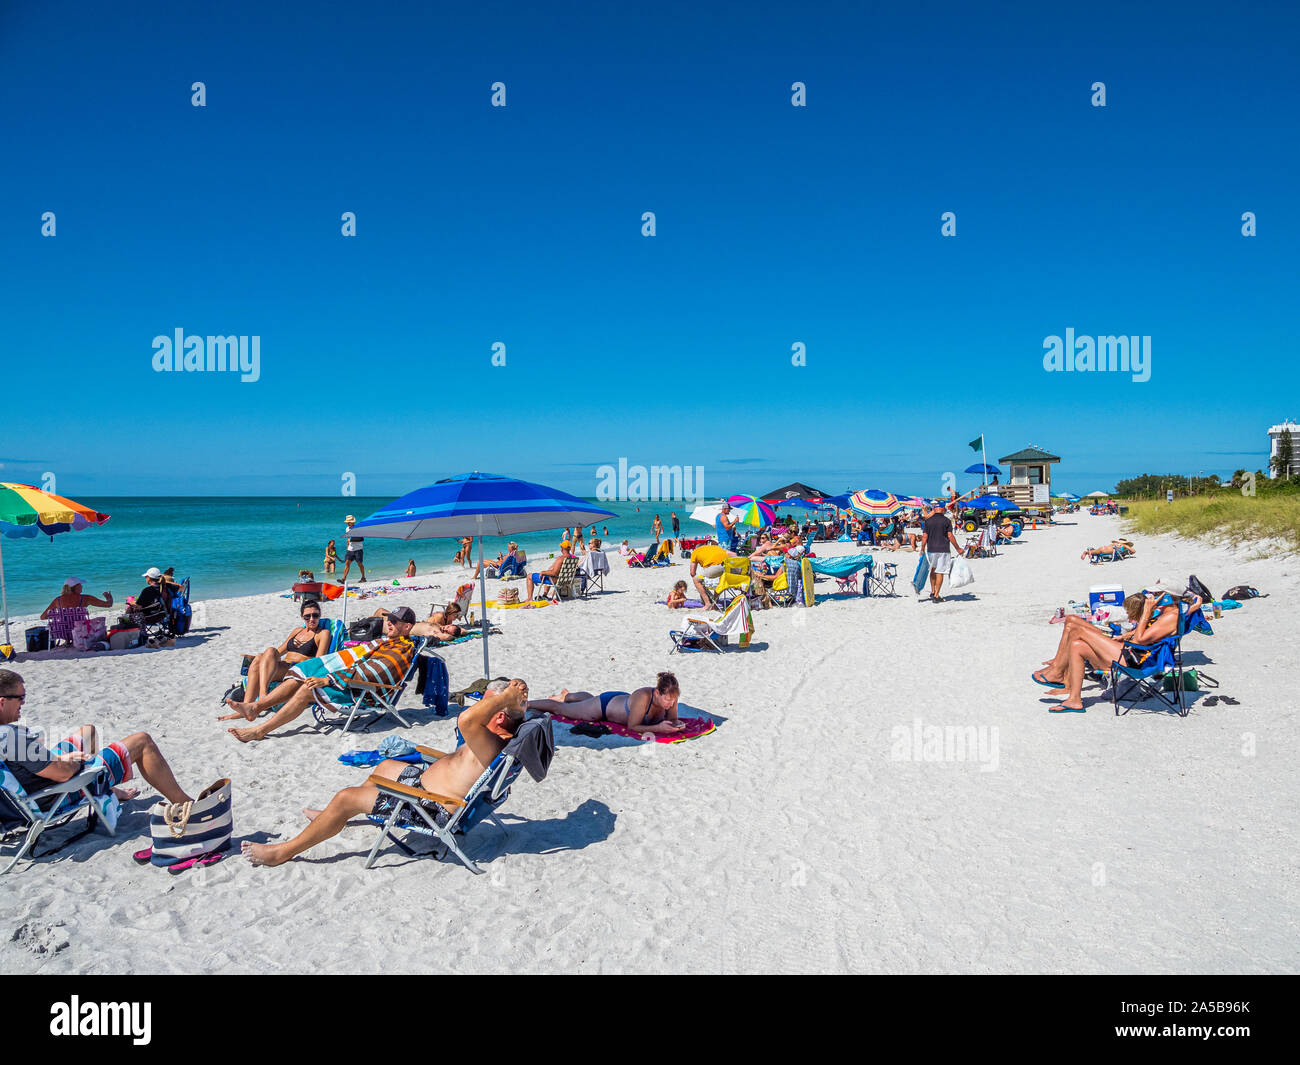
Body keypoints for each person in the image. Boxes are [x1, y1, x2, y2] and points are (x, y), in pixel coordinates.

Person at [242, 679, 531, 866]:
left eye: (487, 703)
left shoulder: (490, 740)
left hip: (429, 806)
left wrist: (503, 696)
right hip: (425, 786)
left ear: (500, 715)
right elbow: (464, 762)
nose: (481, 705)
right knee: (384, 767)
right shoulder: (496, 738)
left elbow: (465, 719)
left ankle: (284, 851)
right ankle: (336, 817)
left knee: (345, 797)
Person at [223, 607, 430, 739]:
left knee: (307, 688)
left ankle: (260, 730)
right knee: (302, 677)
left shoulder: (402, 650)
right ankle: (255, 707)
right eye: (390, 620)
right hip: (349, 682)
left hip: (364, 693)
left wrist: (328, 678)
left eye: (395, 622)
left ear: (408, 627)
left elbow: (371, 673)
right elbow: (356, 658)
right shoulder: (387, 642)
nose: (390, 623)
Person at [1, 669, 193, 805]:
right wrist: (78, 763)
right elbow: (63, 774)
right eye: (21, 698)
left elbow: (33, 762)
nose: (23, 703)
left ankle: (109, 791)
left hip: (38, 775)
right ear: (2, 702)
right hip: (55, 792)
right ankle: (185, 804)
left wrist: (58, 758)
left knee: (88, 732)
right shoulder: (12, 739)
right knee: (142, 741)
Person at [1033, 593, 1191, 712]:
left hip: (1136, 661)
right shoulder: (1167, 614)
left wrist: (1145, 614)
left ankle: (1058, 672)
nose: (1154, 597)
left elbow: (1139, 640)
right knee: (1077, 644)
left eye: (1159, 595)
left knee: (1077, 628)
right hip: (1132, 654)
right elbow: (1143, 636)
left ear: (1170, 598)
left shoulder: (1170, 617)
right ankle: (1074, 698)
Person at [527, 672, 684, 736]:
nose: (670, 703)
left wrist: (677, 724)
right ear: (657, 693)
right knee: (560, 708)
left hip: (618, 700)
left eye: (673, 700)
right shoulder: (643, 696)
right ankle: (526, 704)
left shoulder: (671, 696)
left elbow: (672, 719)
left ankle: (567, 695)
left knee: (588, 700)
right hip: (604, 706)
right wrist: (658, 728)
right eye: (667, 700)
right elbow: (633, 726)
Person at [239, 599, 333, 705]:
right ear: (302, 617)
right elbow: (278, 653)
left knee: (269, 651)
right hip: (283, 666)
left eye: (315, 615)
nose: (311, 619)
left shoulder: (323, 633)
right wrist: (261, 659)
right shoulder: (297, 631)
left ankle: (263, 696)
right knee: (260, 657)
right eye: (307, 616)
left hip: (298, 670)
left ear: (319, 616)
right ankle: (246, 705)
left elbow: (318, 661)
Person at [919, 502, 963, 602]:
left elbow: (925, 536)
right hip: (943, 549)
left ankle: (933, 591)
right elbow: (950, 536)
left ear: (935, 509)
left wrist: (922, 548)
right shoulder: (946, 521)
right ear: (943, 509)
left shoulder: (928, 521)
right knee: (940, 572)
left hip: (931, 549)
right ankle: (937, 595)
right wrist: (958, 548)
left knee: (933, 570)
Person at [40, 577, 113, 620]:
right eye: (80, 585)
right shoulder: (85, 598)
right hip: (80, 632)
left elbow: (43, 617)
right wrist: (108, 597)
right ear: (76, 587)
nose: (82, 586)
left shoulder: (57, 600)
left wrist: (60, 617)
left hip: (63, 631)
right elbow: (108, 604)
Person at [689, 543, 736, 608]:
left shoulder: (695, 551)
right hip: (729, 569)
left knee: (696, 579)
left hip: (716, 569)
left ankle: (707, 603)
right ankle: (715, 601)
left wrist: (702, 586)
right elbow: (734, 554)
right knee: (719, 581)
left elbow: (692, 573)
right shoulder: (715, 547)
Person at [341, 516, 367, 584]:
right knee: (347, 563)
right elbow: (348, 539)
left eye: (349, 522)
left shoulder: (358, 528)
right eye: (347, 522)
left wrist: (353, 538)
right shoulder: (347, 529)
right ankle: (343, 579)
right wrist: (347, 548)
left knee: (359, 564)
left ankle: (363, 577)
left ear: (352, 522)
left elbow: (361, 539)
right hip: (350, 549)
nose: (348, 523)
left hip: (358, 549)